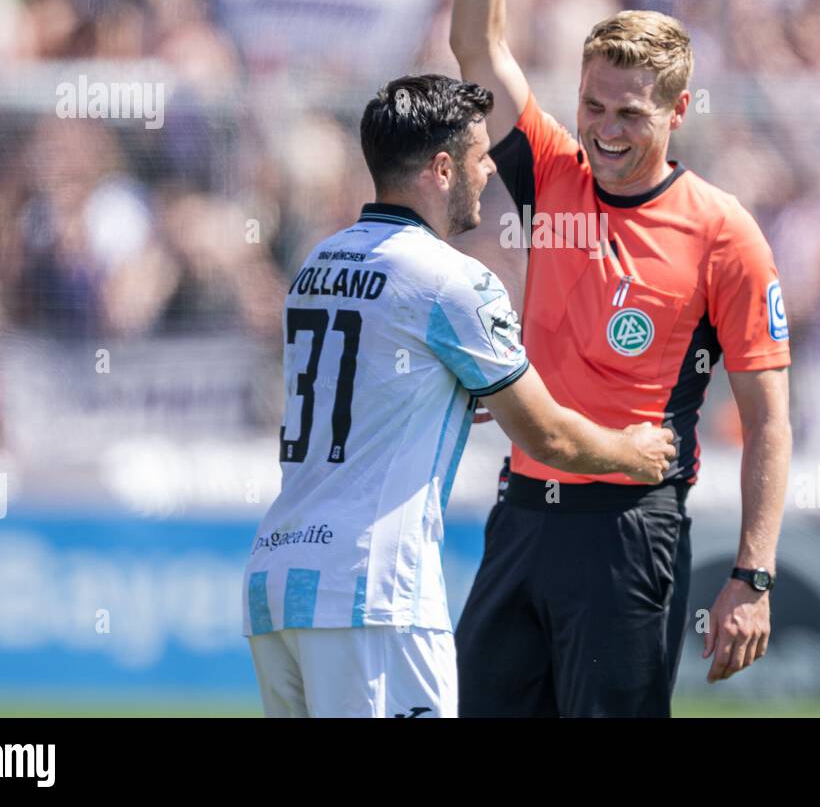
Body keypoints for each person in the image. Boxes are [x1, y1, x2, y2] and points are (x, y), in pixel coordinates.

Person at [449, 0, 794, 717]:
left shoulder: (723, 232)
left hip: (630, 533)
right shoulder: (553, 172)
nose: (604, 129)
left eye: (630, 114)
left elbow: (768, 420)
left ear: (678, 111)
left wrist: (753, 574)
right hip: (521, 516)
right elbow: (479, 48)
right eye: (593, 105)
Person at [242, 74, 675, 718]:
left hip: (279, 583)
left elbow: (366, 390)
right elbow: (546, 434)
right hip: (371, 593)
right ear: (442, 170)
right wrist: (631, 451)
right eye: (479, 156)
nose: (490, 168)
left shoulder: (317, 264)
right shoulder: (451, 279)